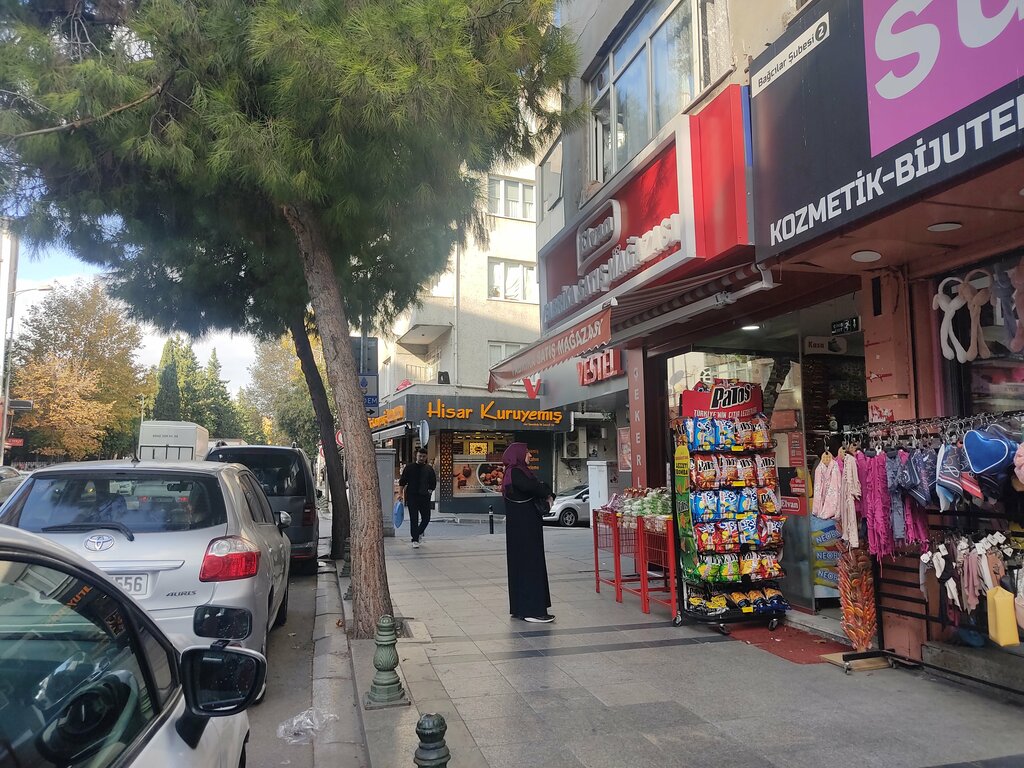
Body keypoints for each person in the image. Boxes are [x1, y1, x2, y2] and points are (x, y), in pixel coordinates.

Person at [501, 443, 554, 623]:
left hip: (522, 529)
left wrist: (543, 488)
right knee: (530, 565)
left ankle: (520, 608)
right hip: (525, 530)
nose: (530, 455)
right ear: (518, 454)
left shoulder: (515, 472)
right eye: (527, 452)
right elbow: (536, 488)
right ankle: (532, 610)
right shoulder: (516, 472)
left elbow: (537, 486)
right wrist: (546, 491)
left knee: (523, 566)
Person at [399, 447, 436, 548]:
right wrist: (400, 493)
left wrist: (429, 491)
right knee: (413, 518)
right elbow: (402, 481)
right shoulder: (409, 468)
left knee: (426, 518)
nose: (421, 458)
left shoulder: (429, 469)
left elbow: (433, 483)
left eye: (423, 456)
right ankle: (415, 539)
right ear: (416, 455)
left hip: (424, 497)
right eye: (420, 456)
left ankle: (418, 533)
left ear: (426, 457)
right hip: (412, 496)